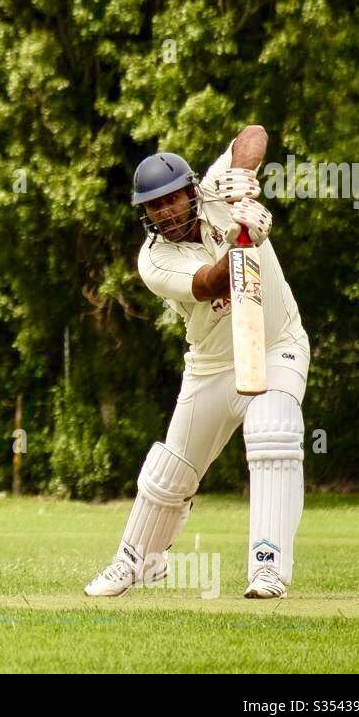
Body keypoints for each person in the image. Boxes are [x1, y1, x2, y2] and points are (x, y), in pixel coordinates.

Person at [84, 126, 309, 599]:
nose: (165, 211)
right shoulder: (153, 260)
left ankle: (267, 567)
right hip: (211, 365)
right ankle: (136, 561)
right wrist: (244, 235)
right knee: (172, 471)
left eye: (171, 199)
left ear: (190, 191)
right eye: (153, 205)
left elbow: (254, 133)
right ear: (144, 213)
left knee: (273, 433)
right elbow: (211, 283)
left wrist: (244, 178)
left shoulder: (216, 191)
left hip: (275, 345)